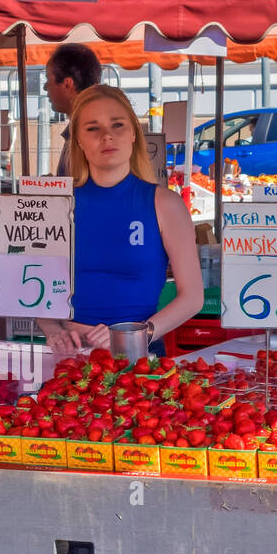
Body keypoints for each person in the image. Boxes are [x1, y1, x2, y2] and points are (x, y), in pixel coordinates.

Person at [36, 85, 203, 357]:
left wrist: (135, 335)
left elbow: (193, 297)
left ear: (134, 133)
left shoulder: (165, 204)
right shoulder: (55, 204)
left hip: (137, 359)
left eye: (118, 125)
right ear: (77, 139)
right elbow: (33, 285)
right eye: (93, 128)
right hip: (68, 356)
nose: (107, 136)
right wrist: (54, 331)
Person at [43, 43, 101, 177]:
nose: (45, 87)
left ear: (67, 84)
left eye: (48, 79)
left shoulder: (88, 133)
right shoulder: (87, 127)